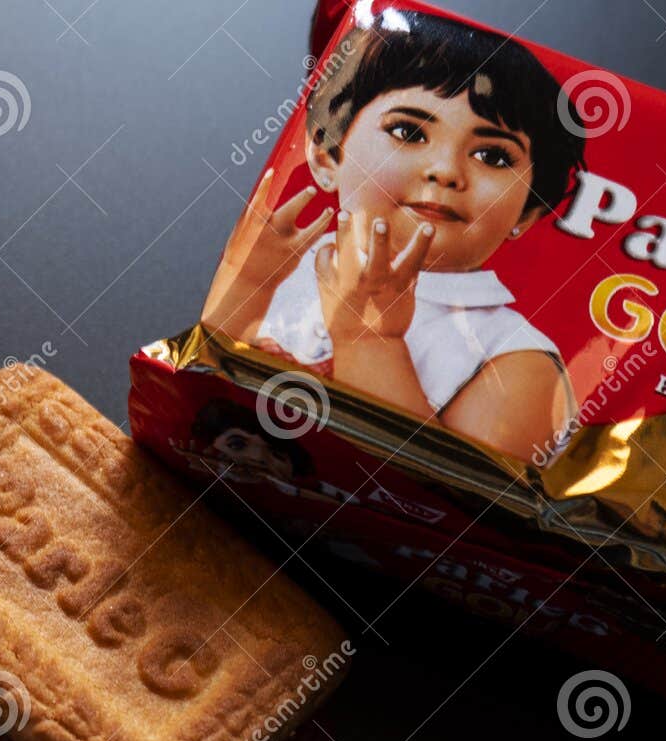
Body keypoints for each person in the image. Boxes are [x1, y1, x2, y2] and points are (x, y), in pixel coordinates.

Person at [202, 8, 585, 459]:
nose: (445, 171)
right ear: (326, 155)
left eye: (493, 156)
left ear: (529, 211)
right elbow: (202, 394)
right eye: (408, 131)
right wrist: (247, 282)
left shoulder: (518, 361)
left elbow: (451, 493)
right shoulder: (282, 261)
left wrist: (370, 342)